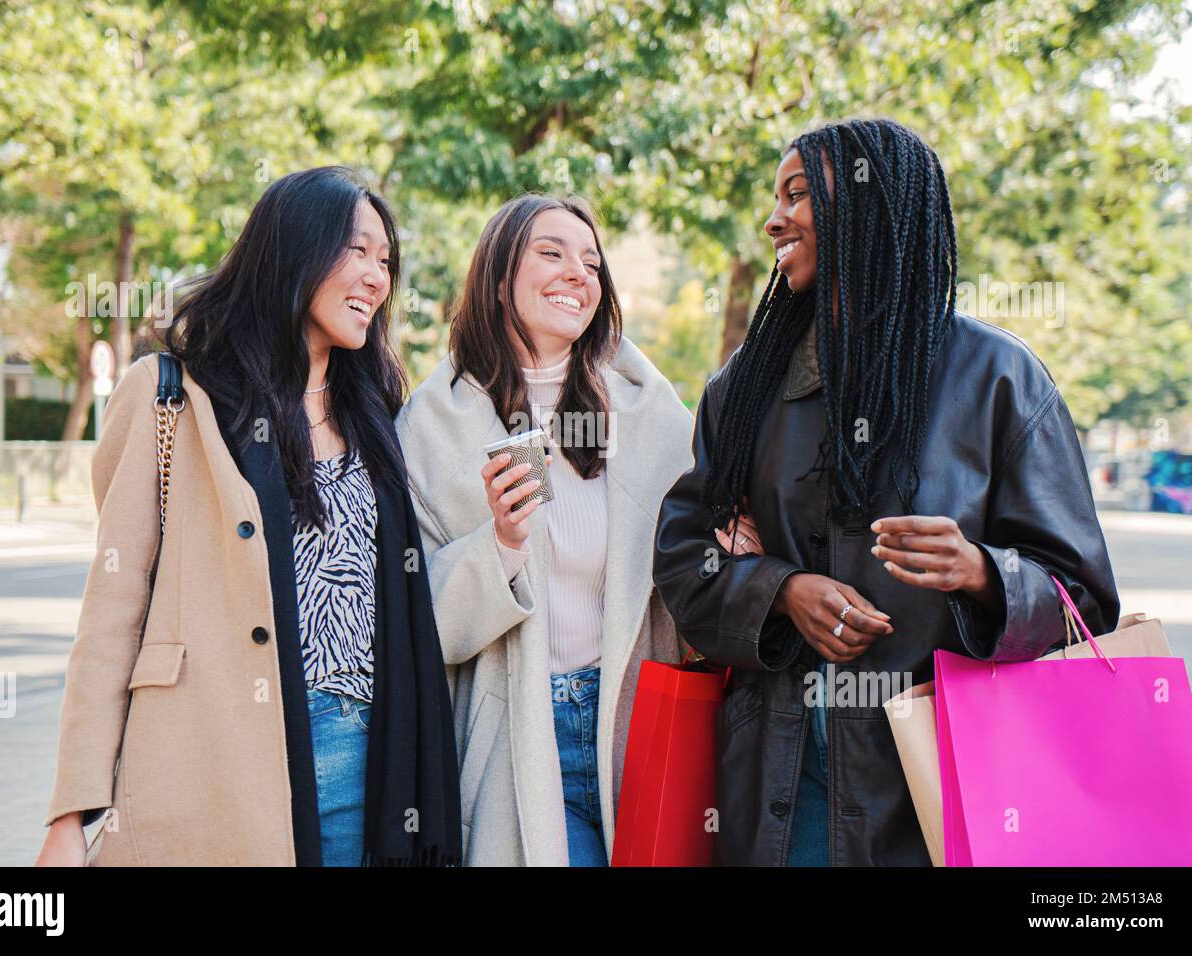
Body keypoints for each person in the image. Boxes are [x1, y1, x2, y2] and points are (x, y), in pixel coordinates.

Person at [652, 119, 1120, 866]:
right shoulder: (743, 389)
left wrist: (981, 572)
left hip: (948, 784)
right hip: (785, 784)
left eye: (797, 195)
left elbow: (1084, 600)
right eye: (775, 198)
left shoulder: (998, 379)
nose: (774, 219)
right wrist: (780, 590)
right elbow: (683, 560)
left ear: (872, 206)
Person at [36, 166, 461, 867]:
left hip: (369, 760)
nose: (377, 277)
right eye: (357, 250)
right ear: (293, 248)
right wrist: (69, 815)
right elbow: (114, 611)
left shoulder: (377, 412)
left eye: (386, 261)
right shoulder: (169, 396)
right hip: (218, 762)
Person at [395, 194, 693, 865]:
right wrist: (498, 543)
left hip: (636, 725)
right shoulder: (433, 424)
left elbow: (691, 560)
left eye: (591, 261)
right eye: (551, 253)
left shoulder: (649, 410)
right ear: (500, 280)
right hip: (515, 733)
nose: (577, 273)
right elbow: (419, 620)